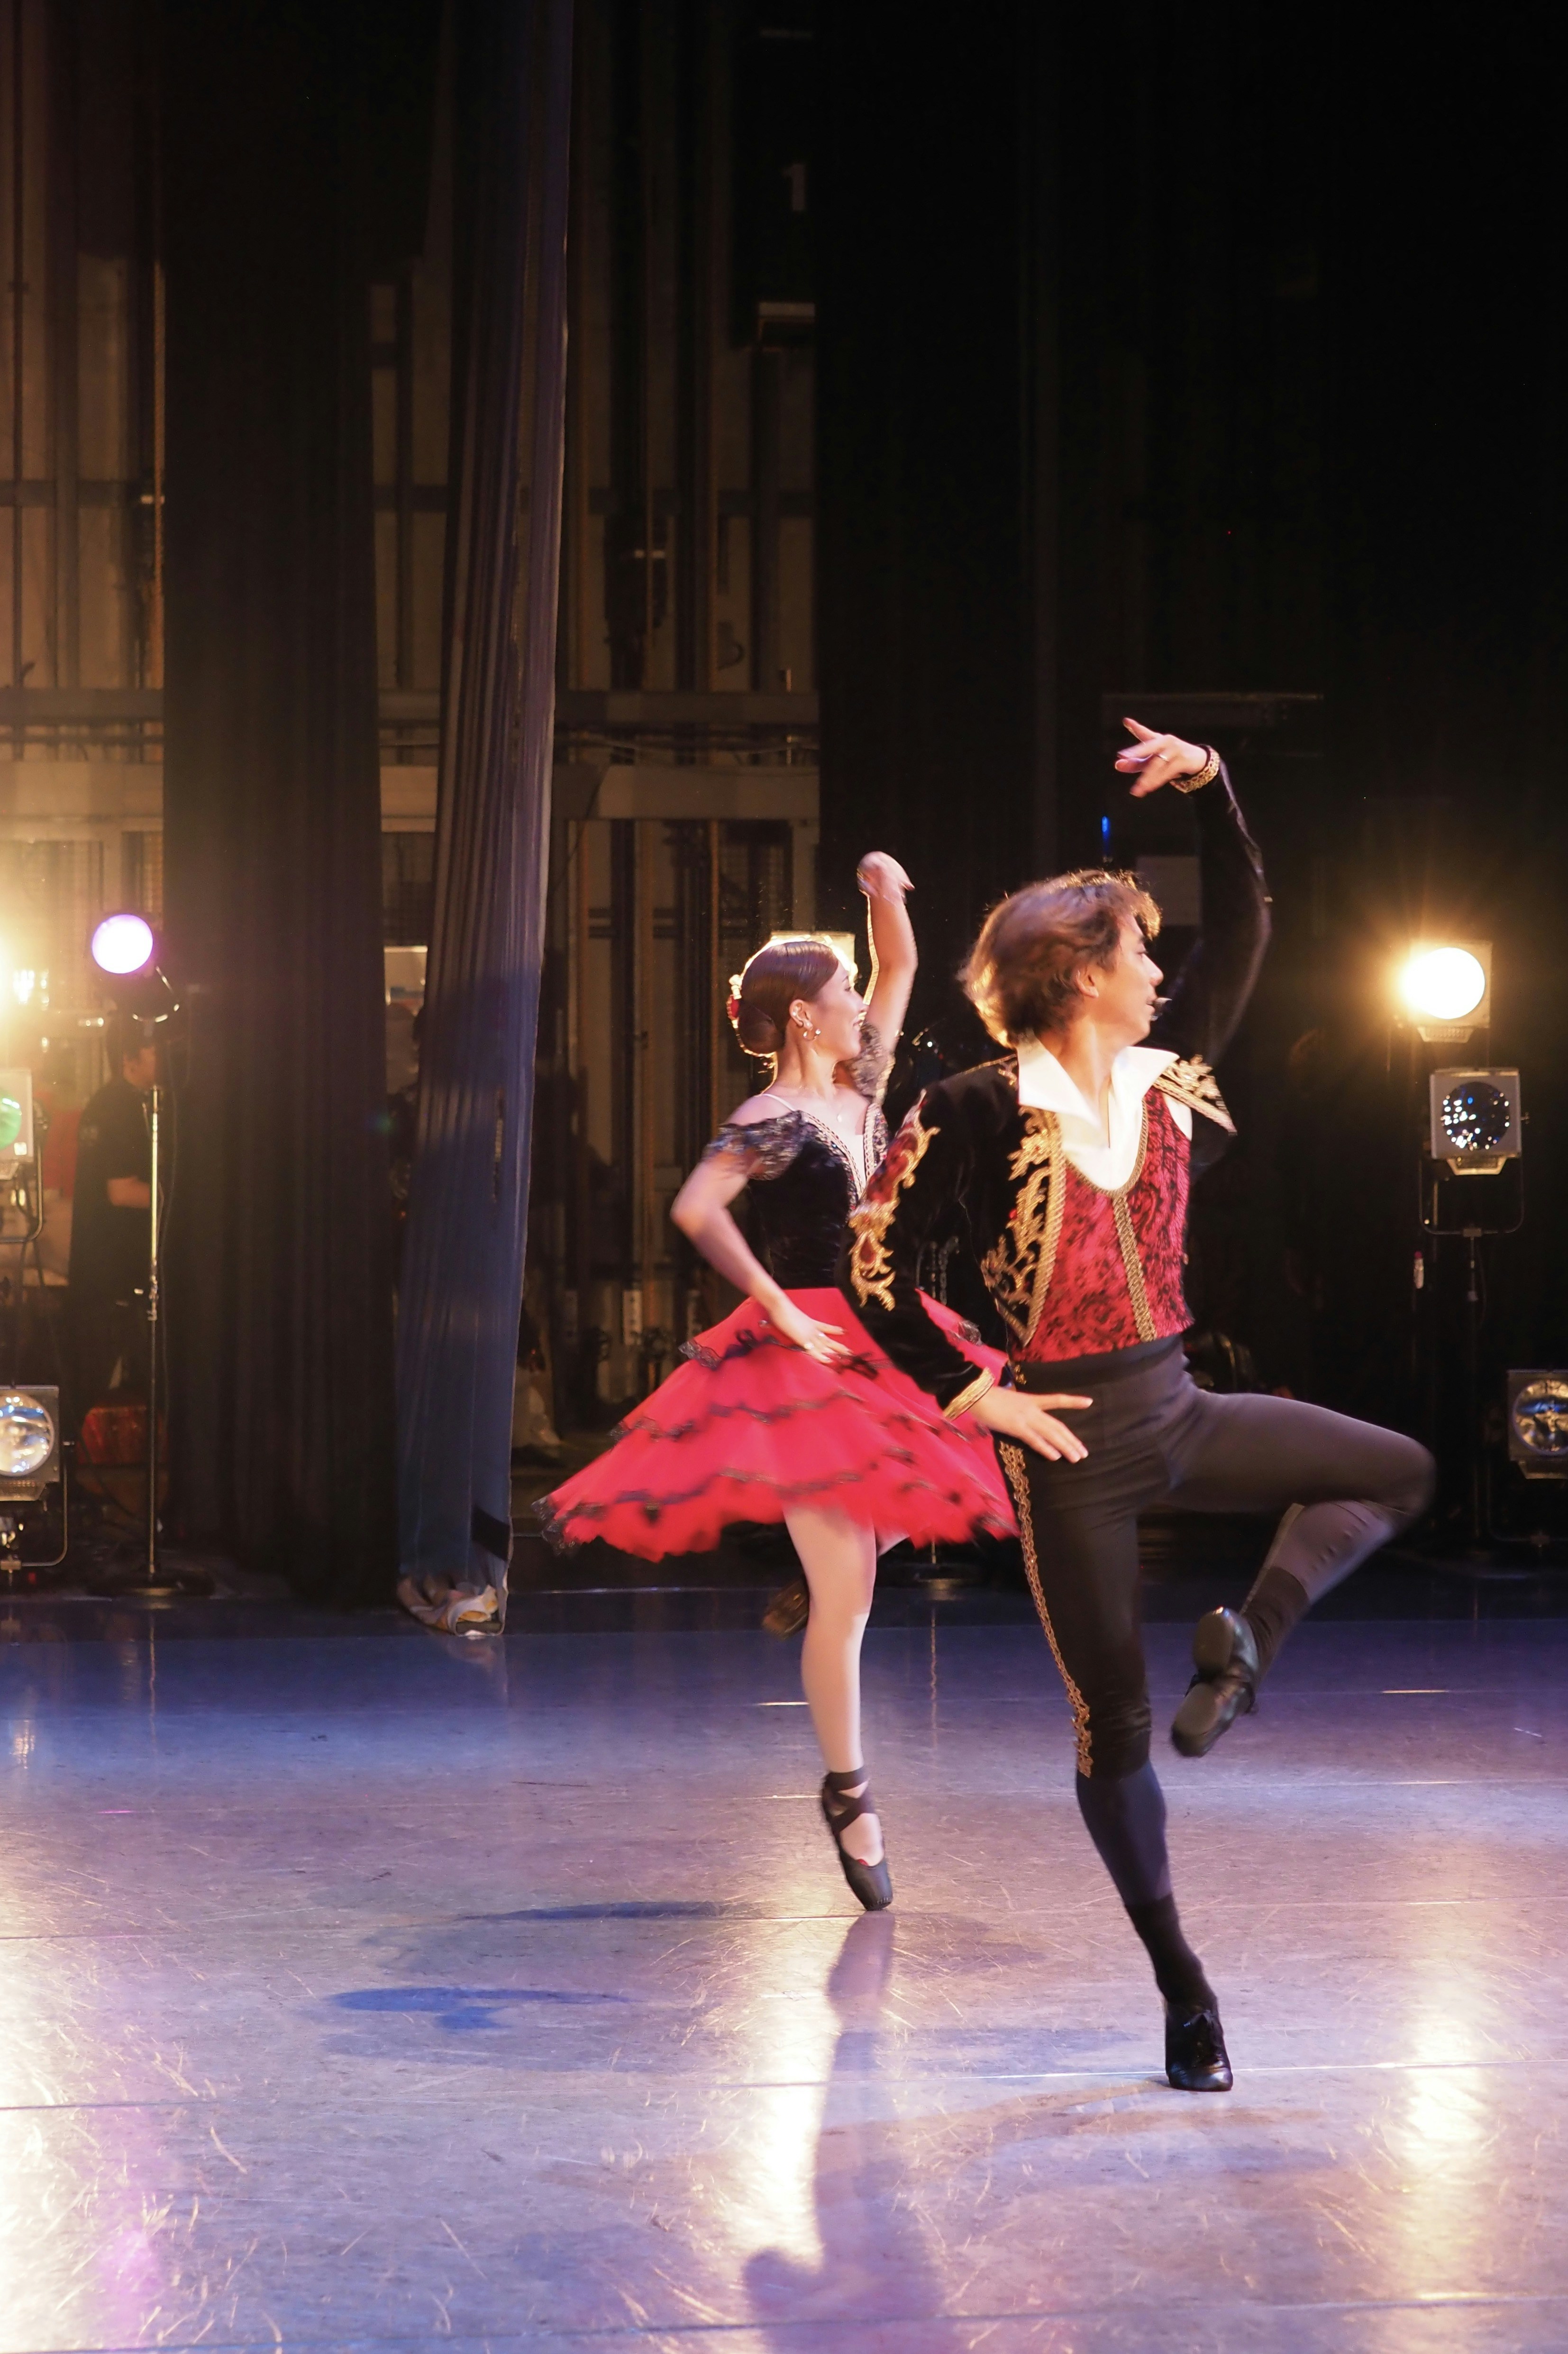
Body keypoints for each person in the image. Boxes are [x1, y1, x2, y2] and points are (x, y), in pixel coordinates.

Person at [841, 720, 1435, 2089]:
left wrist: (1218, 783)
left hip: (1176, 1403)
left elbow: (1250, 924)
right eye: (1136, 953)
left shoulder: (1180, 1085)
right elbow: (869, 1263)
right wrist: (974, 1398)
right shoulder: (971, 1107)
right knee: (1109, 1722)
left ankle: (1244, 1649)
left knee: (1393, 1469)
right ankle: (1182, 1985)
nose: (1160, 972)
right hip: (1067, 1448)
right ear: (1079, 974)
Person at [542, 855, 1085, 1912]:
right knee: (852, 1600)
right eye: (839, 999)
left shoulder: (861, 1086)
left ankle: (822, 1571)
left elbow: (903, 964)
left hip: (887, 1335)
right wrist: (778, 1304)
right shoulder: (771, 1118)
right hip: (805, 1356)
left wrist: (883, 892)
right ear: (802, 1016)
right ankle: (850, 1790)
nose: (858, 1011)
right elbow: (697, 1210)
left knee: (891, 1528)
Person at [67, 1022, 156, 1419]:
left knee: (92, 1379)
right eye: (156, 1052)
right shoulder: (119, 1107)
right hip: (112, 1274)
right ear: (130, 1059)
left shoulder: (114, 1103)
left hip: (106, 1270)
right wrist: (188, 1200)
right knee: (90, 1379)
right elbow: (121, 1190)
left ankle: (71, 1472)